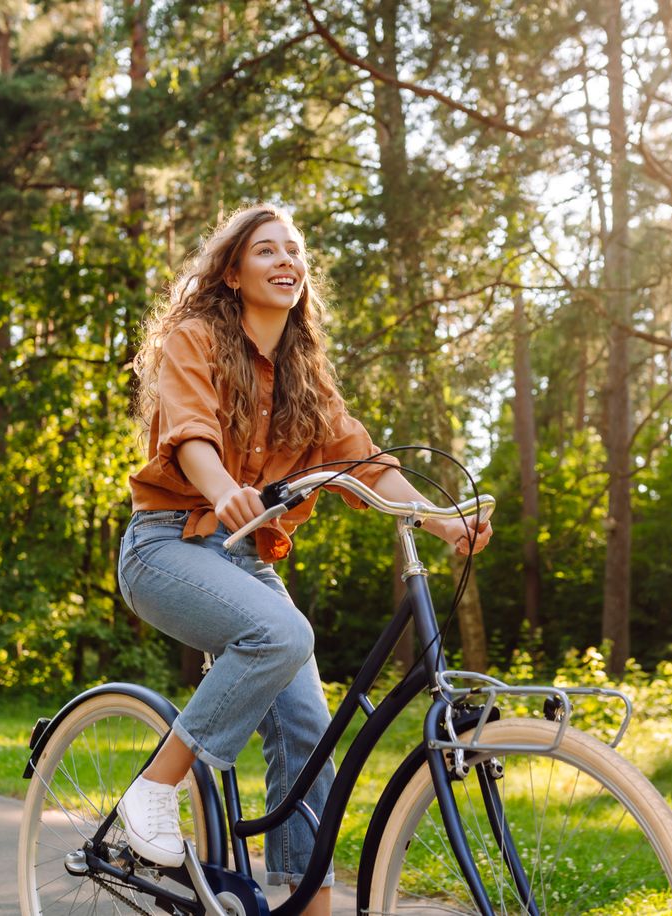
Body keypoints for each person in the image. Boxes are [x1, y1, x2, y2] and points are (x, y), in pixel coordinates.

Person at [116, 203, 492, 915]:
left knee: (306, 732)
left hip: (241, 563)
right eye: (266, 250)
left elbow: (367, 463)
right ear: (232, 271)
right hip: (165, 544)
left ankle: (305, 903)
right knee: (284, 634)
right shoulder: (194, 338)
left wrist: (446, 523)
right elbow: (191, 433)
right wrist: (225, 489)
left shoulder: (305, 377)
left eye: (295, 251)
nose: (287, 260)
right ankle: (153, 790)